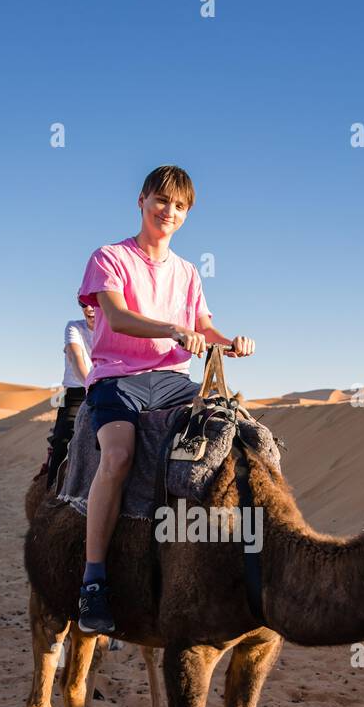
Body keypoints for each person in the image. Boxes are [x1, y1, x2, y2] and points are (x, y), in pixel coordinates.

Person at [76, 164, 255, 634]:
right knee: (117, 457)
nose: (168, 211)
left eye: (179, 206)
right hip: (119, 379)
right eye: (161, 200)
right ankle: (93, 579)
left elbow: (203, 327)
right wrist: (173, 330)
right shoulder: (110, 257)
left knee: (240, 437)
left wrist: (229, 342)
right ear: (141, 200)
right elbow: (116, 318)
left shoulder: (188, 272)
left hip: (173, 381)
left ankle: (233, 558)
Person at [46, 298, 95, 490]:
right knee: (63, 439)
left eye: (93, 302)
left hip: (109, 389)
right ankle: (50, 492)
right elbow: (76, 359)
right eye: (83, 303)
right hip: (78, 392)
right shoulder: (74, 327)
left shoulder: (114, 329)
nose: (88, 308)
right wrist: (91, 385)